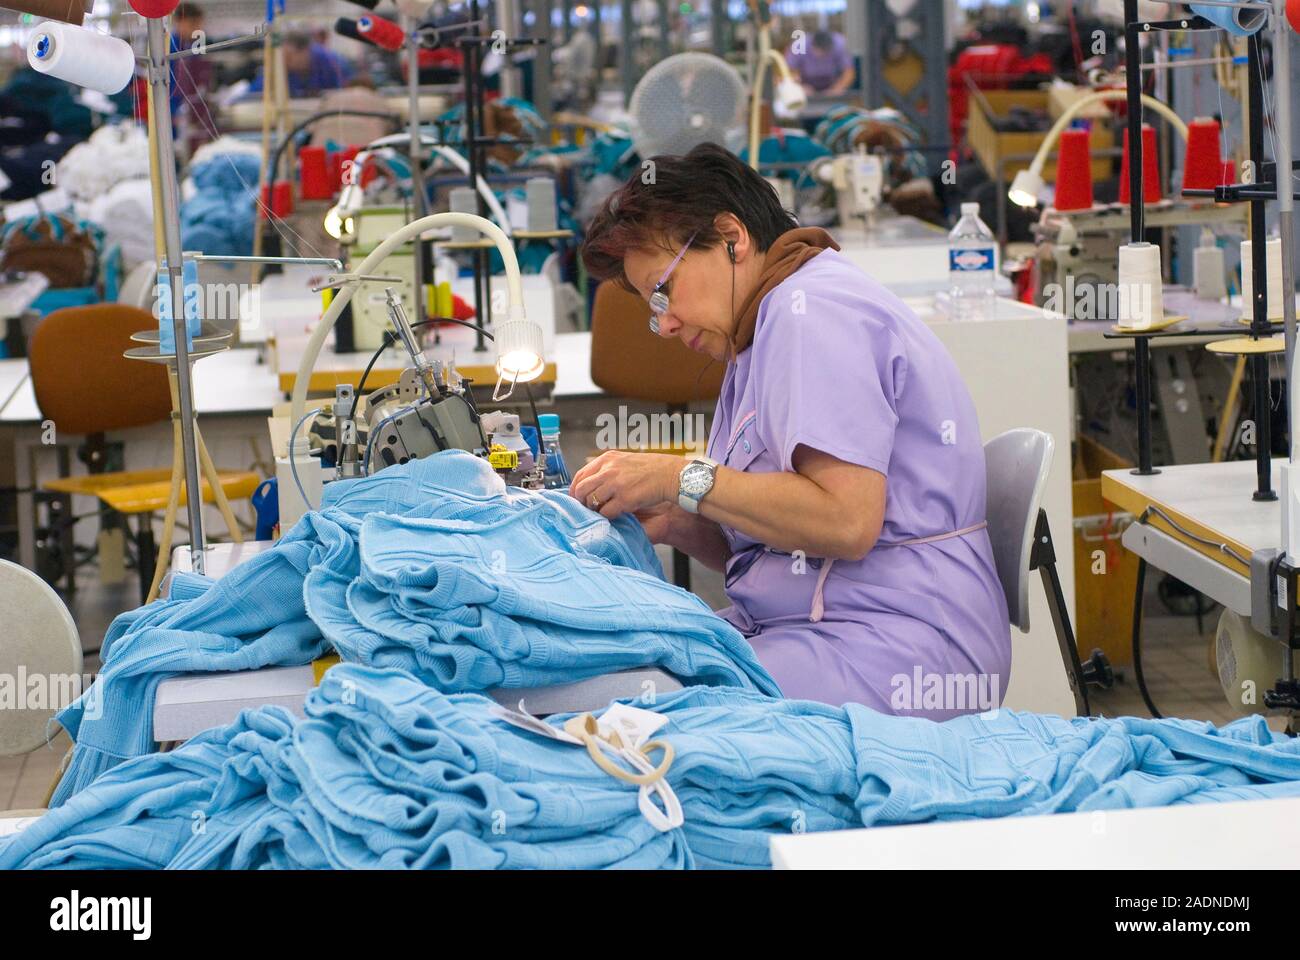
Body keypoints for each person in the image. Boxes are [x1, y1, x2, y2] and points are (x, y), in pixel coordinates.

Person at [576, 143, 1010, 718]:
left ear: (732, 237)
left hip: (906, 644)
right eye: (653, 311)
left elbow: (845, 521)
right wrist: (680, 519)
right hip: (829, 625)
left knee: (635, 715)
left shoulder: (812, 312)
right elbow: (775, 538)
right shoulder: (759, 334)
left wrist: (681, 475)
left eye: (664, 291)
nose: (667, 324)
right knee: (623, 679)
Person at [251, 32, 353, 98]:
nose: (284, 62)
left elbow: (346, 93)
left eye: (289, 56)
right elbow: (254, 93)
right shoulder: (284, 68)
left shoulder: (330, 62)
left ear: (305, 51)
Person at [786, 29, 855, 95]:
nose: (822, 56)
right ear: (812, 45)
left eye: (825, 52)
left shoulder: (839, 44)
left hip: (832, 84)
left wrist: (837, 89)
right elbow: (787, 71)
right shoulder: (799, 45)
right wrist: (799, 87)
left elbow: (849, 72)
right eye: (820, 51)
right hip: (806, 86)